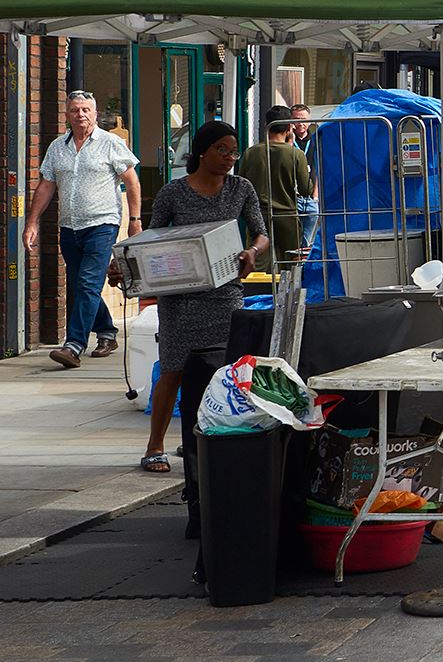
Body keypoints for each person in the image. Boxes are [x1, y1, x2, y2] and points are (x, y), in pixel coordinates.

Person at [136, 121, 268, 474]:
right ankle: (154, 446)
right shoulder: (172, 193)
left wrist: (252, 252)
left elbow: (261, 233)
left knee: (223, 372)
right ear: (201, 151)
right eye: (221, 150)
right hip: (180, 298)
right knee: (173, 370)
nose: (228, 158)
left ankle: (204, 437)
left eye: (233, 151)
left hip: (225, 295)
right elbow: (150, 241)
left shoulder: (241, 189)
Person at [23, 90, 142, 369]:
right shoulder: (57, 147)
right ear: (67, 115)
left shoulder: (111, 143)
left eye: (86, 109)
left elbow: (132, 181)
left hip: (102, 224)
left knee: (88, 283)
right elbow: (46, 185)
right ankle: (107, 332)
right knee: (80, 286)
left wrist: (134, 220)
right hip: (69, 227)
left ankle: (74, 345)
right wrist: (32, 222)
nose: (81, 115)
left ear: (95, 113)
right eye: (75, 110)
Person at [239, 105, 313, 272]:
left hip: (257, 215)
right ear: (289, 127)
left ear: (267, 125)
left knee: (258, 264)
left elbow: (241, 183)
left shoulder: (251, 153)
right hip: (287, 215)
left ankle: (258, 295)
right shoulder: (295, 154)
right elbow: (305, 189)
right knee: (290, 265)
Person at [288, 103, 319, 249]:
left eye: (304, 119)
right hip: (290, 197)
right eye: (296, 119)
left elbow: (319, 168)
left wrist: (315, 195)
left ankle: (302, 266)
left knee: (306, 241)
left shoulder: (316, 141)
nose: (301, 124)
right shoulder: (286, 142)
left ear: (310, 121)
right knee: (291, 240)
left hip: (310, 197)